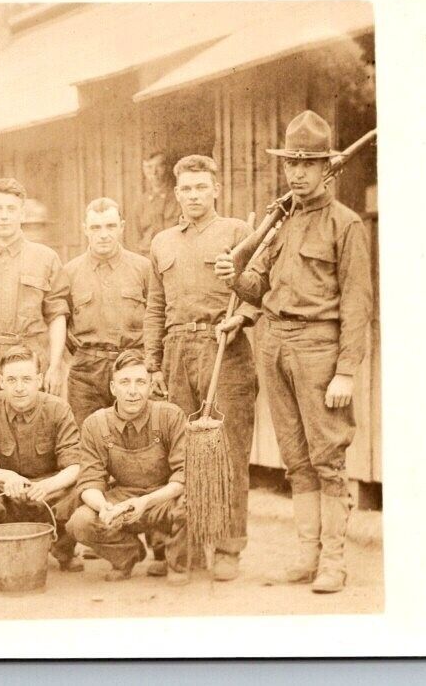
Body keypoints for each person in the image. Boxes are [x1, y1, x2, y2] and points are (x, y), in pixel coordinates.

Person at [215, 110, 373, 594]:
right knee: (295, 461)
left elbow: (358, 303)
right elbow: (256, 286)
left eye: (308, 164)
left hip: (319, 349)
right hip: (273, 343)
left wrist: (346, 370)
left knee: (327, 460)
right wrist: (233, 278)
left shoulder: (345, 225)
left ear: (328, 167)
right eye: (292, 164)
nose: (298, 173)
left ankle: (334, 562)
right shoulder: (278, 221)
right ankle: (306, 556)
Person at [143, 155, 259, 582]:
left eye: (200, 187)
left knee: (228, 451)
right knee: (181, 453)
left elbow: (258, 287)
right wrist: (153, 360)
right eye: (186, 189)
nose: (193, 195)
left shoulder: (237, 233)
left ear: (216, 189)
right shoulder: (162, 242)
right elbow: (155, 307)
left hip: (223, 346)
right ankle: (185, 546)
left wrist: (241, 317)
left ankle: (228, 546)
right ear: (177, 193)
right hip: (176, 350)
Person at [66, 351, 190, 584]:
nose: (133, 391)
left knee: (192, 502)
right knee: (80, 523)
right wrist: (104, 507)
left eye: (140, 382)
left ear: (150, 386)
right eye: (125, 382)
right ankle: (127, 555)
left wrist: (146, 502)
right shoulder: (96, 423)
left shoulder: (170, 415)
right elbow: (89, 481)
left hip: (163, 498)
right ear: (113, 387)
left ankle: (177, 562)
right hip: (122, 499)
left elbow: (184, 475)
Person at [0, 345, 82, 581]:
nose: (19, 387)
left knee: (80, 489)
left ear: (39, 380)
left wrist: (49, 486)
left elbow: (75, 465)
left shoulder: (58, 408)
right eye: (12, 379)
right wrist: (7, 477)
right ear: (0, 381)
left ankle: (63, 547)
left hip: (45, 492)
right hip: (3, 490)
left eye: (26, 379)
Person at [0, 178, 71, 403]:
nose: (4, 216)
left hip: (33, 356)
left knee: (36, 428)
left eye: (11, 209)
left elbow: (57, 317)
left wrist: (55, 366)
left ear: (22, 214)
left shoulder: (46, 258)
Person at [64, 197, 152, 425]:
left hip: (132, 366)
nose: (103, 234)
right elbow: (62, 325)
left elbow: (158, 317)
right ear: (85, 229)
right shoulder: (70, 272)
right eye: (96, 227)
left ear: (122, 226)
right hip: (86, 373)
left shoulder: (143, 268)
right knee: (86, 438)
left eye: (110, 226)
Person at [132, 152, 180, 257]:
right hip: (147, 257)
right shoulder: (141, 202)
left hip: (173, 257)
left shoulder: (179, 198)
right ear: (144, 170)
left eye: (159, 166)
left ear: (167, 168)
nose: (153, 172)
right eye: (149, 167)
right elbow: (136, 237)